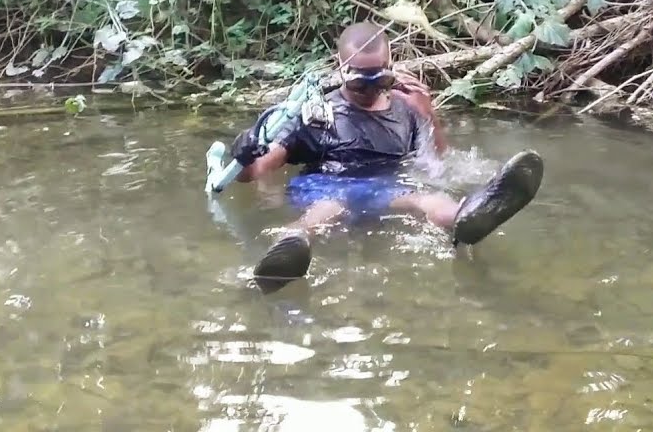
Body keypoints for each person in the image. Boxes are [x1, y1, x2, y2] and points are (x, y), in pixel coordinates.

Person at [229, 21, 543, 291]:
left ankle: (471, 216)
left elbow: (437, 161)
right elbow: (257, 171)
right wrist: (243, 158)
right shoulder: (316, 114)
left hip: (386, 187)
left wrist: (428, 114)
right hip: (328, 185)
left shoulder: (407, 107)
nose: (369, 91)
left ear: (391, 65)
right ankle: (289, 250)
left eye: (379, 81)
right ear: (341, 68)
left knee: (430, 200)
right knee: (322, 213)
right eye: (359, 83)